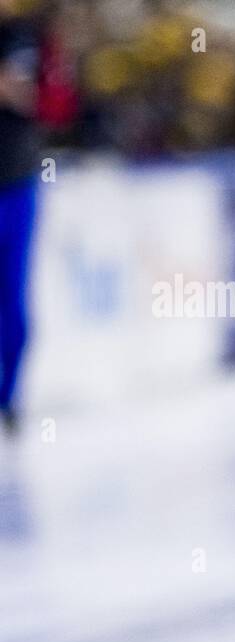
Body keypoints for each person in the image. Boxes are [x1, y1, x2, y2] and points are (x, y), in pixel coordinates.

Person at [0, 4, 41, 437]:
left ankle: (9, 396)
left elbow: (53, 101)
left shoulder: (27, 36)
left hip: (15, 181)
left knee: (12, 294)